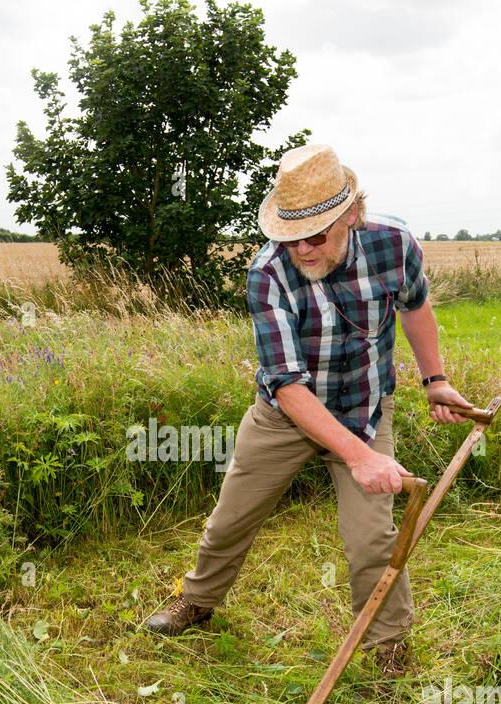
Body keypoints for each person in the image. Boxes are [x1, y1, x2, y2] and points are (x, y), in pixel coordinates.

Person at [143, 143, 475, 677]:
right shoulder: (267, 274)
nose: (303, 250)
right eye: (290, 236)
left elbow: (414, 308)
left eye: (317, 234)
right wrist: (358, 458)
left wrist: (435, 380)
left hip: (365, 407)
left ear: (353, 216)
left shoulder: (394, 245)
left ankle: (386, 642)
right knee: (231, 517)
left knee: (372, 537)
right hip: (284, 416)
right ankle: (198, 601)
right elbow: (289, 386)